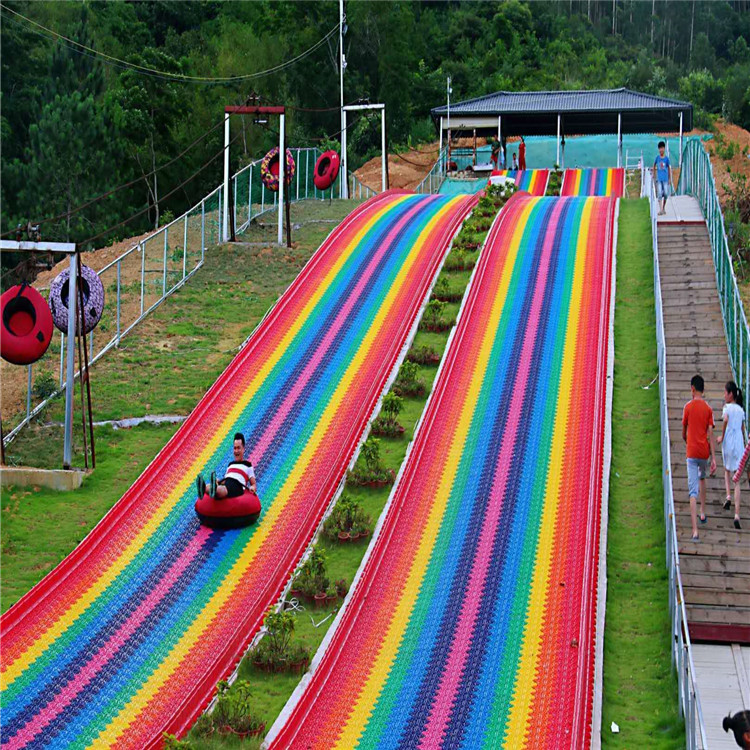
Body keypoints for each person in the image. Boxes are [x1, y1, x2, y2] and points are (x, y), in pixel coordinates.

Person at [682, 374, 717, 540]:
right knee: (702, 478)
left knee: (692, 491)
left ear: (692, 389)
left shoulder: (688, 407)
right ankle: (703, 512)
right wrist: (714, 458)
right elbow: (710, 432)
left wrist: (686, 438)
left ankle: (695, 530)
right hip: (704, 452)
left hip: (692, 451)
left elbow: (684, 430)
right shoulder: (708, 409)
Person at [196, 432, 257, 499]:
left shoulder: (248, 465)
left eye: (238, 448)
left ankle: (214, 490)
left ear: (243, 449)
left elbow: (253, 484)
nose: (236, 451)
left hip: (238, 485)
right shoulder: (230, 465)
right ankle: (205, 487)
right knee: (218, 485)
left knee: (225, 489)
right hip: (227, 483)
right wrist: (219, 481)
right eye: (235, 448)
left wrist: (252, 487)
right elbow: (227, 480)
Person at [717, 381, 744, 529]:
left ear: (730, 394)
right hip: (739, 444)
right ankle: (737, 514)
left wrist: (721, 436)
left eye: (725, 393)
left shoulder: (726, 407)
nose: (724, 395)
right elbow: (742, 428)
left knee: (727, 470)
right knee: (737, 479)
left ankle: (728, 496)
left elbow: (725, 420)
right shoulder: (741, 410)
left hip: (728, 441)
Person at [653, 140, 672, 215]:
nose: (661, 150)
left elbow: (669, 168)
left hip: (666, 180)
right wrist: (654, 174)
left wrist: (670, 179)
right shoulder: (657, 158)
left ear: (664, 148)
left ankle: (663, 207)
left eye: (662, 148)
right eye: (659, 148)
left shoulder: (667, 159)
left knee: (666, 194)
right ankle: (661, 209)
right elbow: (654, 165)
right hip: (659, 179)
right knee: (660, 193)